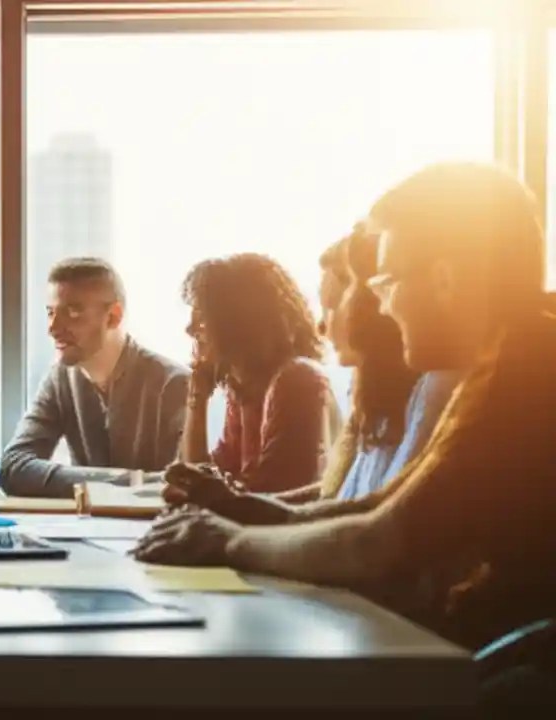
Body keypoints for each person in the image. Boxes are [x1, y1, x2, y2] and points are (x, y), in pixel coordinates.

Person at [136, 161, 556, 652]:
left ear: (444, 278)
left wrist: (229, 540)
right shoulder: (505, 359)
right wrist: (244, 510)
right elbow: (380, 505)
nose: (382, 306)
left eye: (387, 281)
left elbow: (377, 542)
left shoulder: (528, 370)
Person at [165, 227, 459, 523]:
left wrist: (230, 507)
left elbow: (375, 517)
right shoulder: (367, 396)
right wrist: (197, 397)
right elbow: (335, 498)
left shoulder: (298, 380)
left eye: (332, 305)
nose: (321, 325)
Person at [0, 257, 189, 497]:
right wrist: (130, 481)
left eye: (73, 312)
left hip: (154, 521)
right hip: (87, 519)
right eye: (51, 313)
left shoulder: (174, 384)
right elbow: (13, 467)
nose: (53, 328)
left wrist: (89, 484)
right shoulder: (60, 379)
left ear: (113, 316)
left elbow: (184, 483)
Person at [178, 253, 341, 494]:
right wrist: (197, 399)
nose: (190, 329)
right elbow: (198, 478)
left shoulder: (298, 382)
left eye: (202, 317)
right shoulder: (244, 389)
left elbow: (274, 496)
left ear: (240, 321)